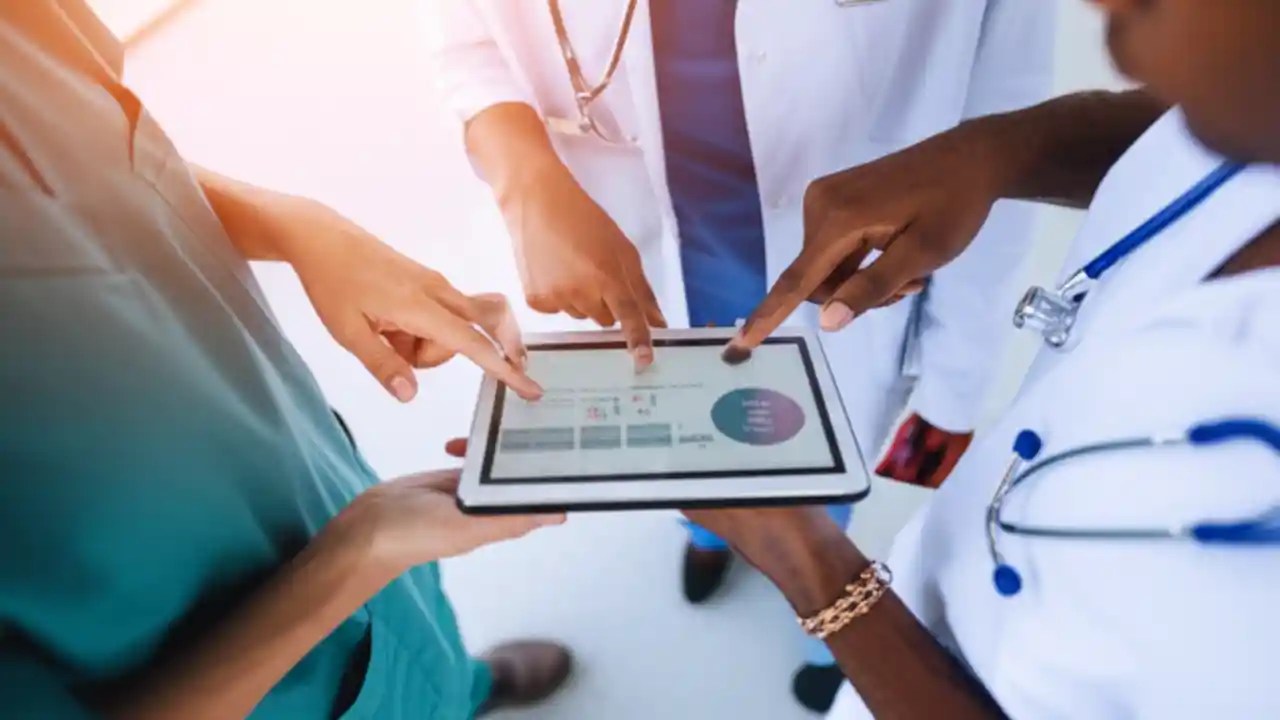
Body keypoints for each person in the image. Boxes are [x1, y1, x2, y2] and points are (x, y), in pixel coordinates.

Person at [425, 2, 1054, 708]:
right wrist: (527, 177)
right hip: (655, 269)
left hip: (838, 307)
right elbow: (469, 40)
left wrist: (952, 393)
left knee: (821, 491)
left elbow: (1003, 148)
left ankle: (826, 630)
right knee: (680, 452)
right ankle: (706, 538)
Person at [696, 0, 1280, 716]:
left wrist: (815, 569)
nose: (1099, 8)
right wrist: (998, 153)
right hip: (939, 575)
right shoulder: (1250, 104)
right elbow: (1210, 123)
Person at [0, 2, 573, 717]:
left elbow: (108, 152)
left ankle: (459, 688)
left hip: (294, 461)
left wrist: (299, 229)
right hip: (236, 678)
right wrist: (357, 554)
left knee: (416, 638)